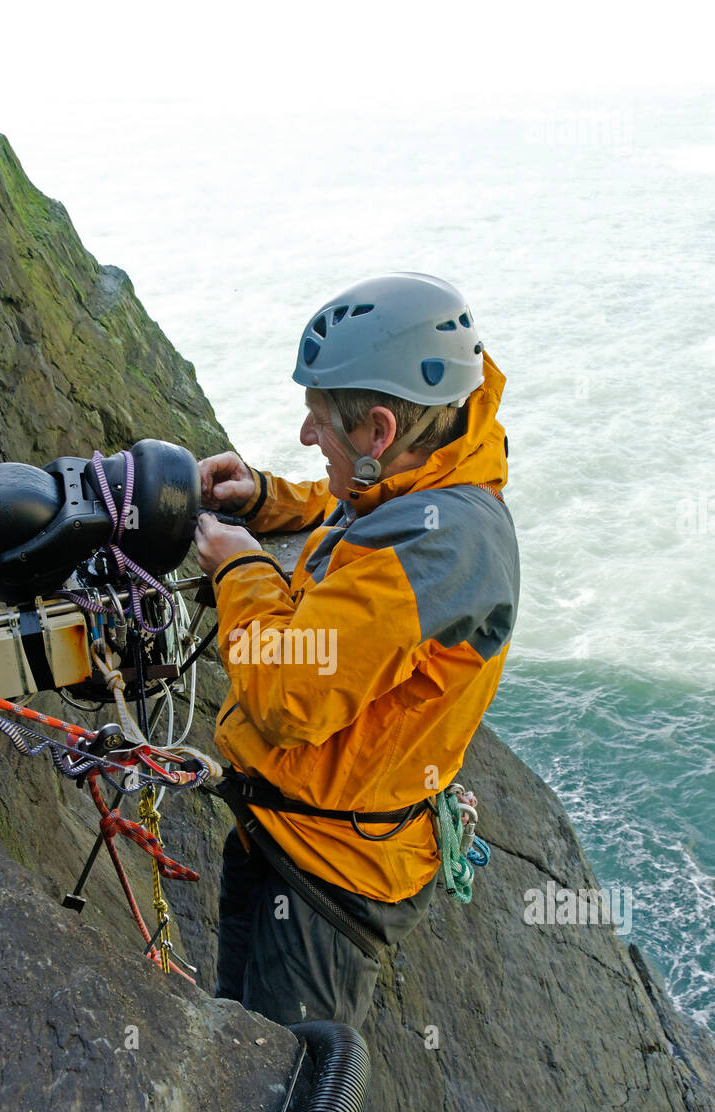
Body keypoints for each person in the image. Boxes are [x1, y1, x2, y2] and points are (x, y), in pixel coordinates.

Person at [193, 272, 520, 1030]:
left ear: (378, 431)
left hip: (328, 877)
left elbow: (285, 696)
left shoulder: (443, 551)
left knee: (286, 1098)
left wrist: (239, 566)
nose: (309, 436)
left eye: (319, 421)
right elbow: (372, 513)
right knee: (233, 1042)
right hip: (284, 827)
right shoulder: (434, 460)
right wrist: (271, 501)